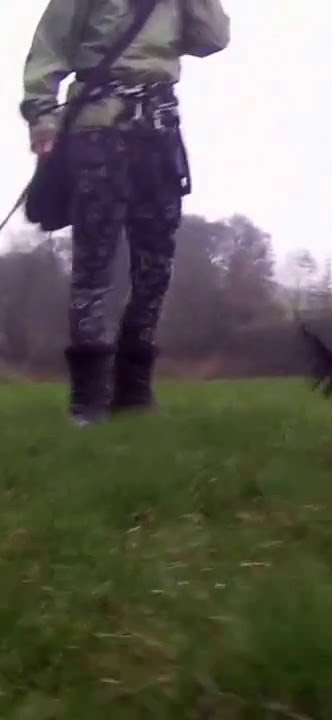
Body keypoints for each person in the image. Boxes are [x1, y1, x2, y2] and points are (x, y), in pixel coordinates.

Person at [20, 0, 230, 425]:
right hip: (97, 128)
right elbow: (48, 47)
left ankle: (134, 391)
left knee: (156, 266)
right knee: (93, 264)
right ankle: (89, 399)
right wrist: (42, 116)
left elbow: (211, 40)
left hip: (159, 126)